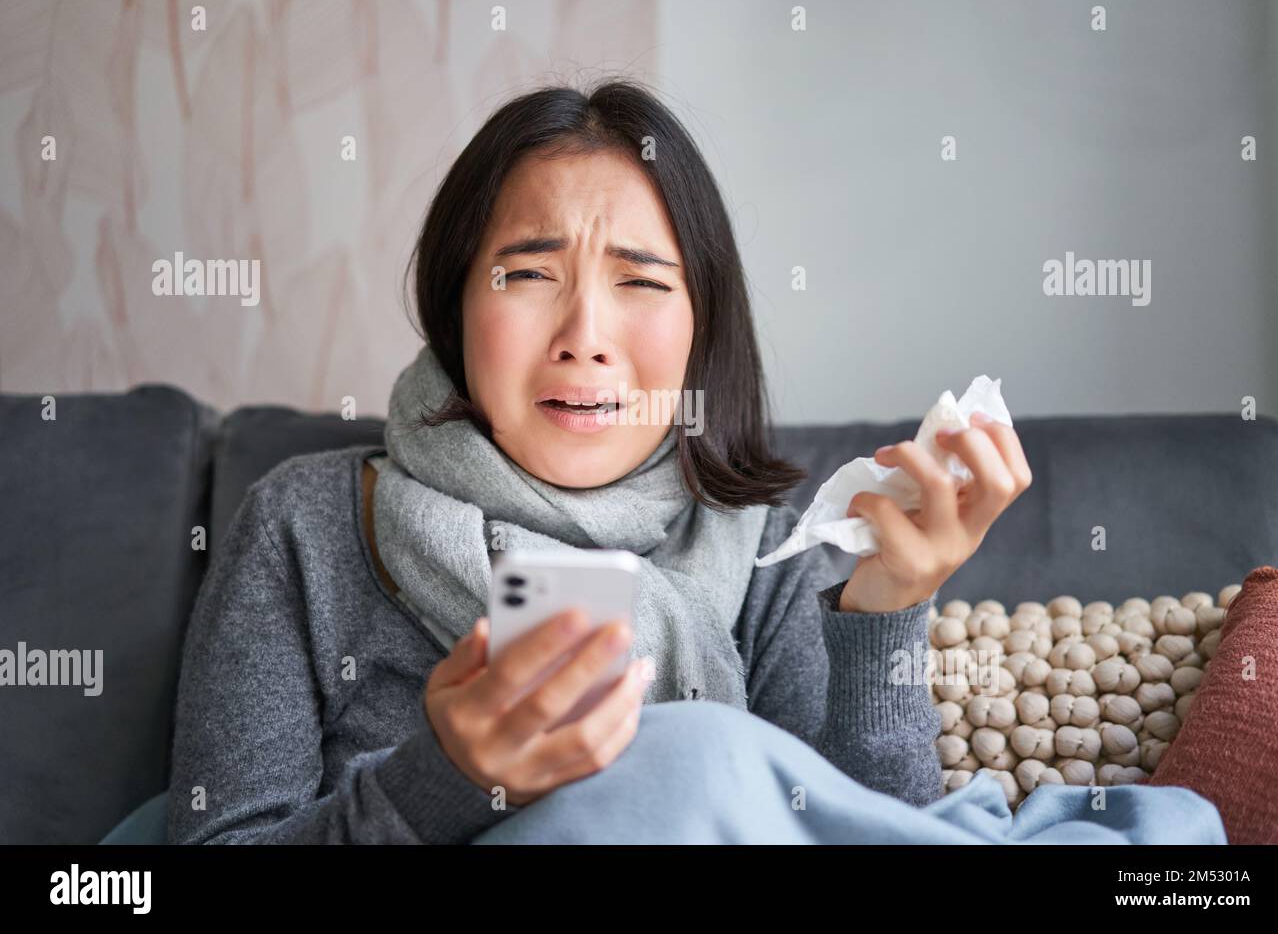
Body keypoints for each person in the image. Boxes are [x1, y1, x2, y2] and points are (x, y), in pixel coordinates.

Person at [167, 78, 1219, 845]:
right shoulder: (304, 525)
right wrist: (445, 778)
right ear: (455, 309)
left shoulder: (767, 540)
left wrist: (888, 604)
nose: (584, 332)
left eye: (640, 281)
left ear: (700, 328)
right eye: (528, 272)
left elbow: (875, 832)